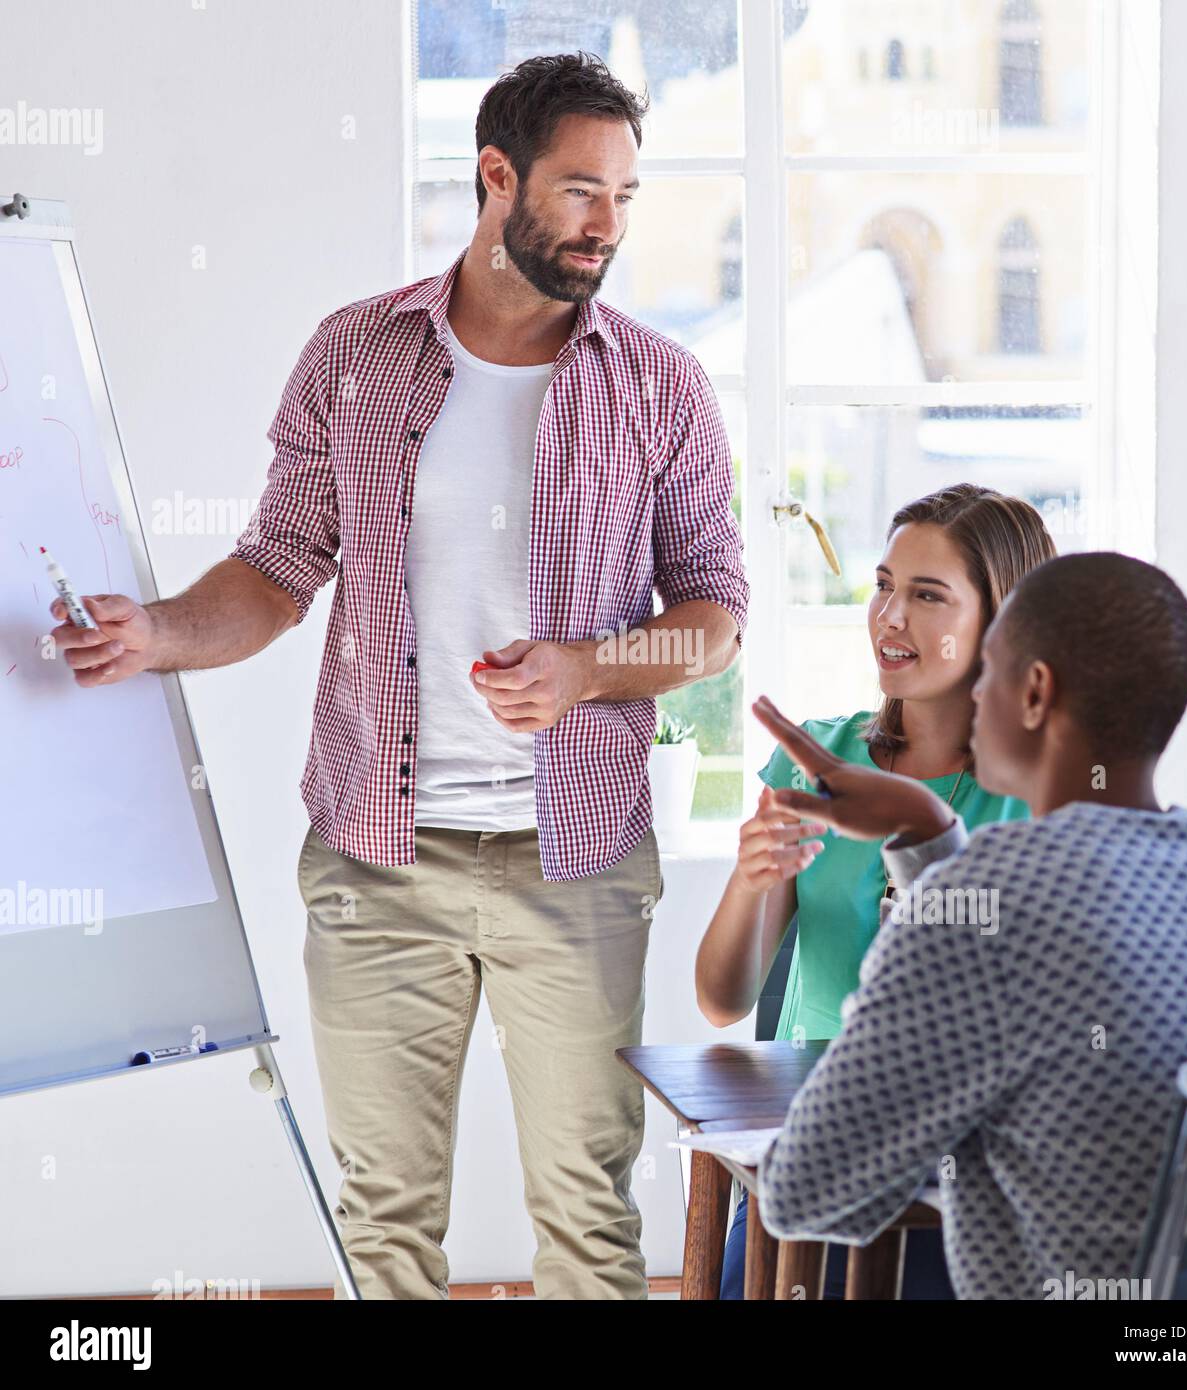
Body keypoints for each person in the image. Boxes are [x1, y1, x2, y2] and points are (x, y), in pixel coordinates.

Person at [47, 52, 749, 1300]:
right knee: (382, 1219)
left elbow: (715, 616)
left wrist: (588, 669)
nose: (608, 226)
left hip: (576, 858)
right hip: (378, 854)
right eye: (583, 191)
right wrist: (156, 633)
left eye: (625, 198)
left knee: (589, 1218)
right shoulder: (357, 355)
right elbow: (276, 566)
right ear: (497, 175)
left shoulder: (658, 382)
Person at [749, 553, 1187, 1299]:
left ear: (1035, 692)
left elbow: (804, 1191)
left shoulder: (996, 902)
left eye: (990, 670)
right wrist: (928, 829)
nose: (975, 693)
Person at [695, 484, 1055, 1298]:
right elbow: (722, 1000)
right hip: (813, 1150)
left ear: (1004, 621)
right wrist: (755, 882)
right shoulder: (815, 759)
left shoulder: (1041, 792)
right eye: (885, 586)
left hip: (968, 1172)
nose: (890, 618)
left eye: (927, 596)